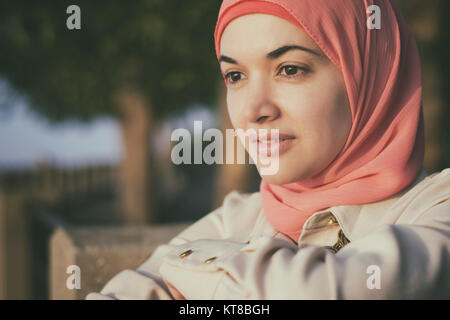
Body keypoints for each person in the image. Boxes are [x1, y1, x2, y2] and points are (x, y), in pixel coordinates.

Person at [86, 0, 450, 299]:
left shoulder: (438, 209)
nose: (252, 110)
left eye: (289, 69)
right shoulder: (239, 215)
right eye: (235, 76)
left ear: (370, 75)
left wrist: (192, 269)